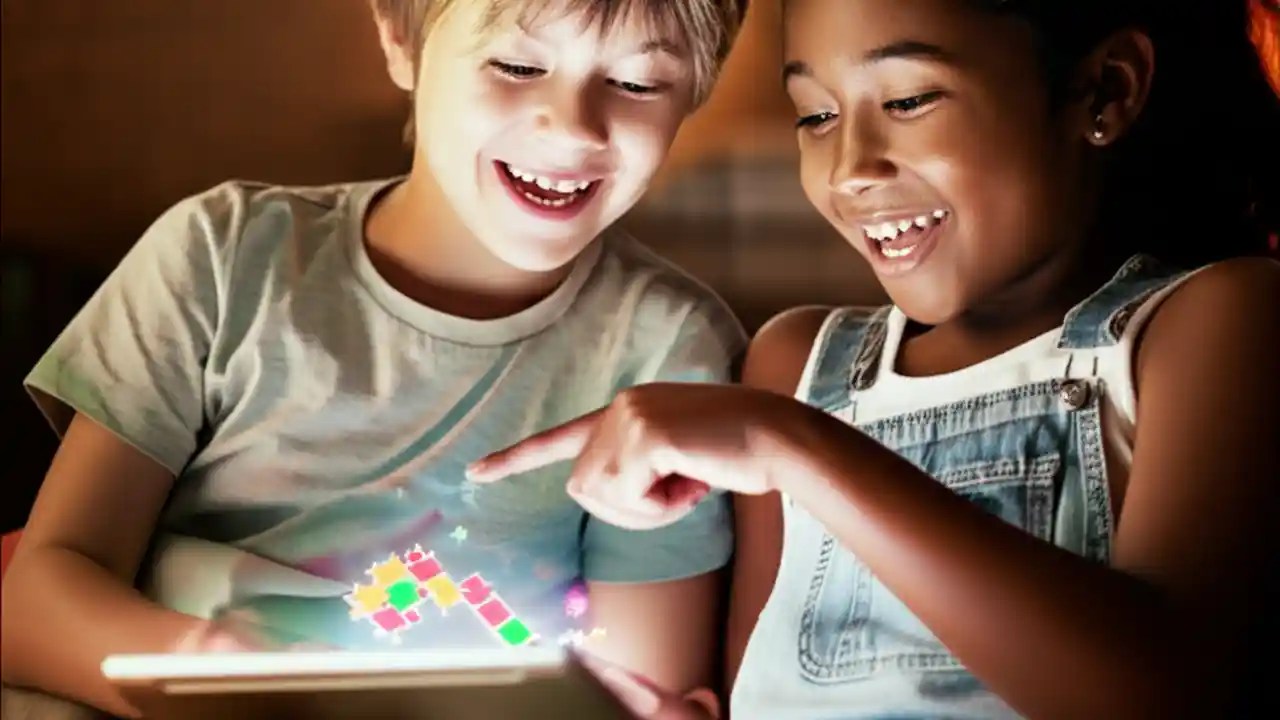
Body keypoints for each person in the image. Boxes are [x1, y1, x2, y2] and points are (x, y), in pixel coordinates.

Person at [470, 0, 1280, 717]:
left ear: (1104, 90)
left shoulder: (1216, 318)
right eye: (816, 115)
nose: (851, 169)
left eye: (907, 100)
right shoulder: (796, 364)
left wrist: (796, 447)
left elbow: (1167, 694)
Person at [0, 0, 749, 717]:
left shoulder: (670, 348)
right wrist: (220, 672)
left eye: (636, 83)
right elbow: (33, 606)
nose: (574, 126)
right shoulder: (221, 260)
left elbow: (639, 688)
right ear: (400, 39)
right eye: (518, 67)